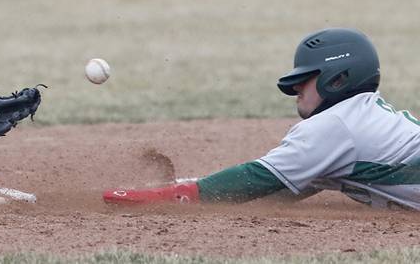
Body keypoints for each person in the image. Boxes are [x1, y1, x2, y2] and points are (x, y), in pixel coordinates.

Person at [105, 27, 420, 210]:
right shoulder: (358, 118)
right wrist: (190, 186)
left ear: (337, 79)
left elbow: (256, 177)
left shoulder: (334, 126)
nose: (296, 87)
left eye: (306, 78)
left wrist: (165, 196)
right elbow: (270, 192)